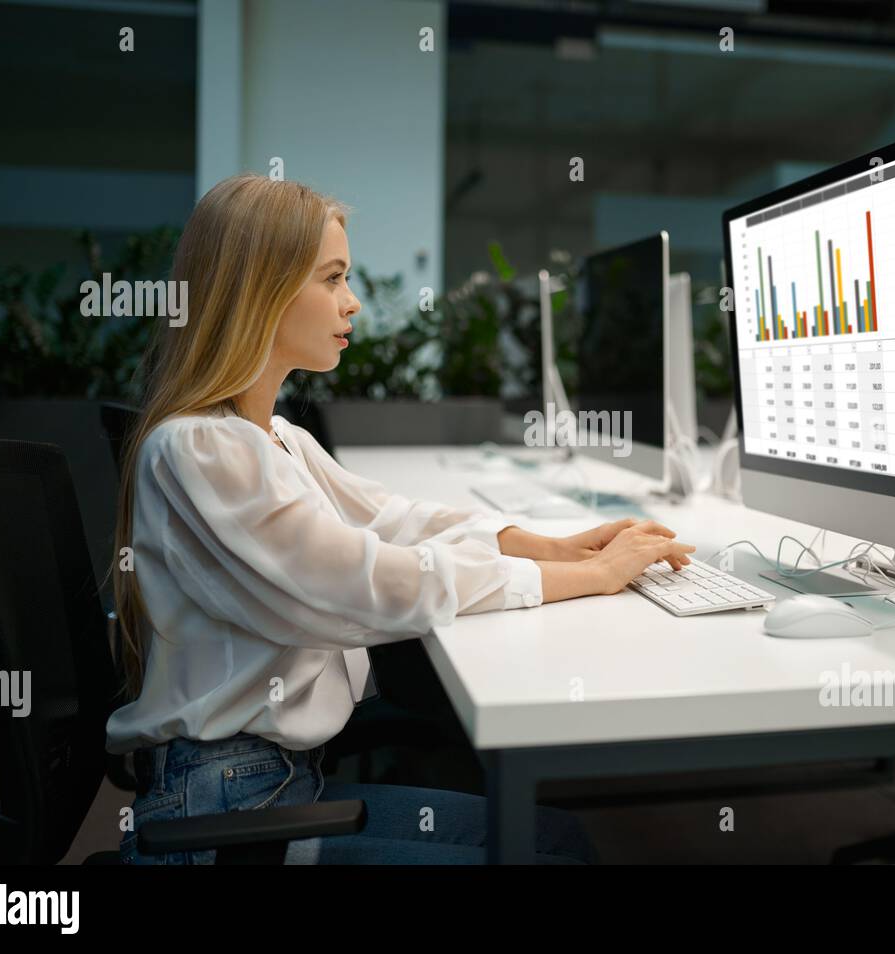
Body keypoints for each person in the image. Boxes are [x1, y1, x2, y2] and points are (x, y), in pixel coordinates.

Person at [106, 173, 696, 863]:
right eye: (331, 279)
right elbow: (365, 584)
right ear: (257, 291)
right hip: (226, 807)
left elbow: (395, 520)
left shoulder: (274, 438)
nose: (352, 302)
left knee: (557, 837)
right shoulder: (202, 447)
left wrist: (559, 549)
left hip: (274, 781)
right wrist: (584, 577)